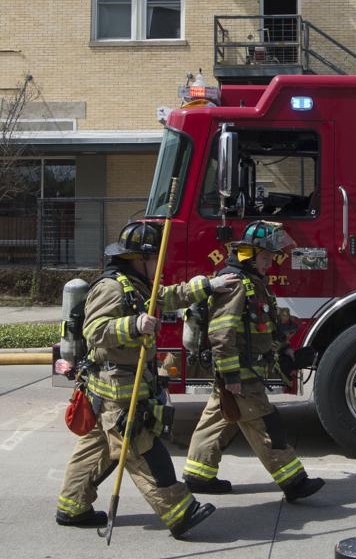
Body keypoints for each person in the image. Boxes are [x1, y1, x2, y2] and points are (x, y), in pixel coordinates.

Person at [55, 219, 239, 538]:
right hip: (117, 391)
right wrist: (134, 325)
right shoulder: (112, 288)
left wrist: (209, 285)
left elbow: (169, 296)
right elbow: (94, 331)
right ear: (138, 258)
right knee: (144, 452)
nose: (158, 264)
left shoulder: (137, 285)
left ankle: (72, 506)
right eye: (154, 258)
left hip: (110, 390)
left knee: (95, 450)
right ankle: (179, 511)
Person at [182, 220, 324, 502]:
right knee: (266, 426)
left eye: (271, 257)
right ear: (249, 254)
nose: (269, 263)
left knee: (219, 419)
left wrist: (285, 350)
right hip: (242, 373)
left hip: (244, 370)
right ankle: (294, 482)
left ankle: (198, 475)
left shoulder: (255, 283)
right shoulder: (236, 284)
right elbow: (222, 334)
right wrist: (231, 376)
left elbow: (264, 325)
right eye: (265, 257)